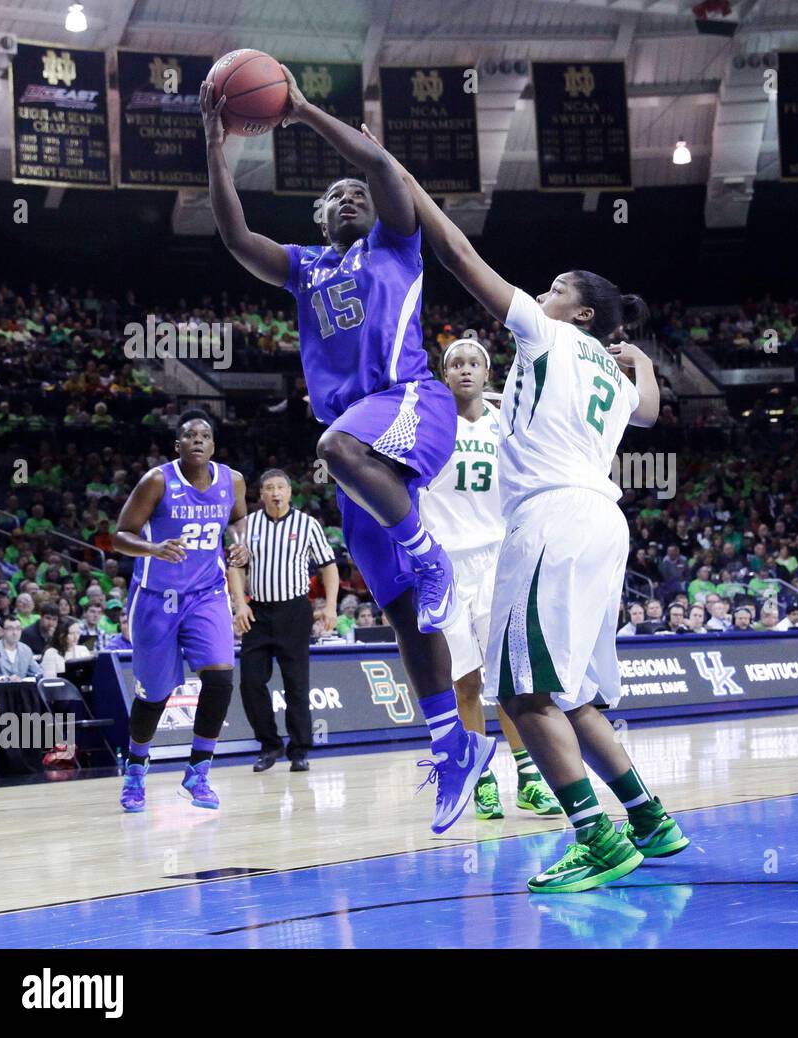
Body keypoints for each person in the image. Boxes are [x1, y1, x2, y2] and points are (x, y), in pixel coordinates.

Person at [366, 125, 687, 892]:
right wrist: (636, 354)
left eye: (554, 290)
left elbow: (461, 260)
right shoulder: (613, 374)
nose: (540, 296)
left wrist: (406, 184)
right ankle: (648, 817)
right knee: (571, 693)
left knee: (522, 693)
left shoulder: (548, 337)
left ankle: (596, 836)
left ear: (577, 315)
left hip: (548, 521)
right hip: (603, 524)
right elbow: (648, 410)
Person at [201, 73, 493, 832]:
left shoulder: (397, 246)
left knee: (334, 446)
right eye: (336, 196)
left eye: (355, 191)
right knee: (401, 615)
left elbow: (386, 170)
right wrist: (215, 145)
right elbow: (234, 239)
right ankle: (453, 747)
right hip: (364, 449)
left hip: (409, 403)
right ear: (320, 216)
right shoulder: (305, 268)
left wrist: (298, 110)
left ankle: (429, 553)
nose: (351, 196)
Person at [417, 338, 562, 819]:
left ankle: (528, 777)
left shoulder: (506, 423)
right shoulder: (427, 422)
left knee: (509, 681)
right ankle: (480, 778)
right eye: (455, 363)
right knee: (466, 683)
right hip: (445, 564)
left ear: (486, 372)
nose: (464, 370)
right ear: (444, 374)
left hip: (498, 558)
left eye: (473, 363)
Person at [113, 409, 250, 812]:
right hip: (157, 597)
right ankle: (137, 767)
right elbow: (120, 535)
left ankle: (198, 772)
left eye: (204, 436)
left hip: (207, 593)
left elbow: (238, 520)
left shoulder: (233, 481)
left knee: (221, 677)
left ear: (213, 446)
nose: (197, 440)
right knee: (154, 694)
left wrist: (239, 543)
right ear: (178, 445)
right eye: (189, 435)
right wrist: (152, 548)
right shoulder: (156, 481)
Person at [230, 469, 339, 773]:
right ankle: (269, 744)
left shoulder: (308, 525)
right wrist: (240, 604)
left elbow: (328, 566)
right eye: (269, 488)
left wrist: (330, 606)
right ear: (260, 494)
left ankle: (299, 749)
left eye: (281, 487)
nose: (275, 493)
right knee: (250, 682)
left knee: (296, 685)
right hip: (259, 612)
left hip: (294, 611)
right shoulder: (246, 526)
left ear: (290, 492)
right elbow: (236, 568)